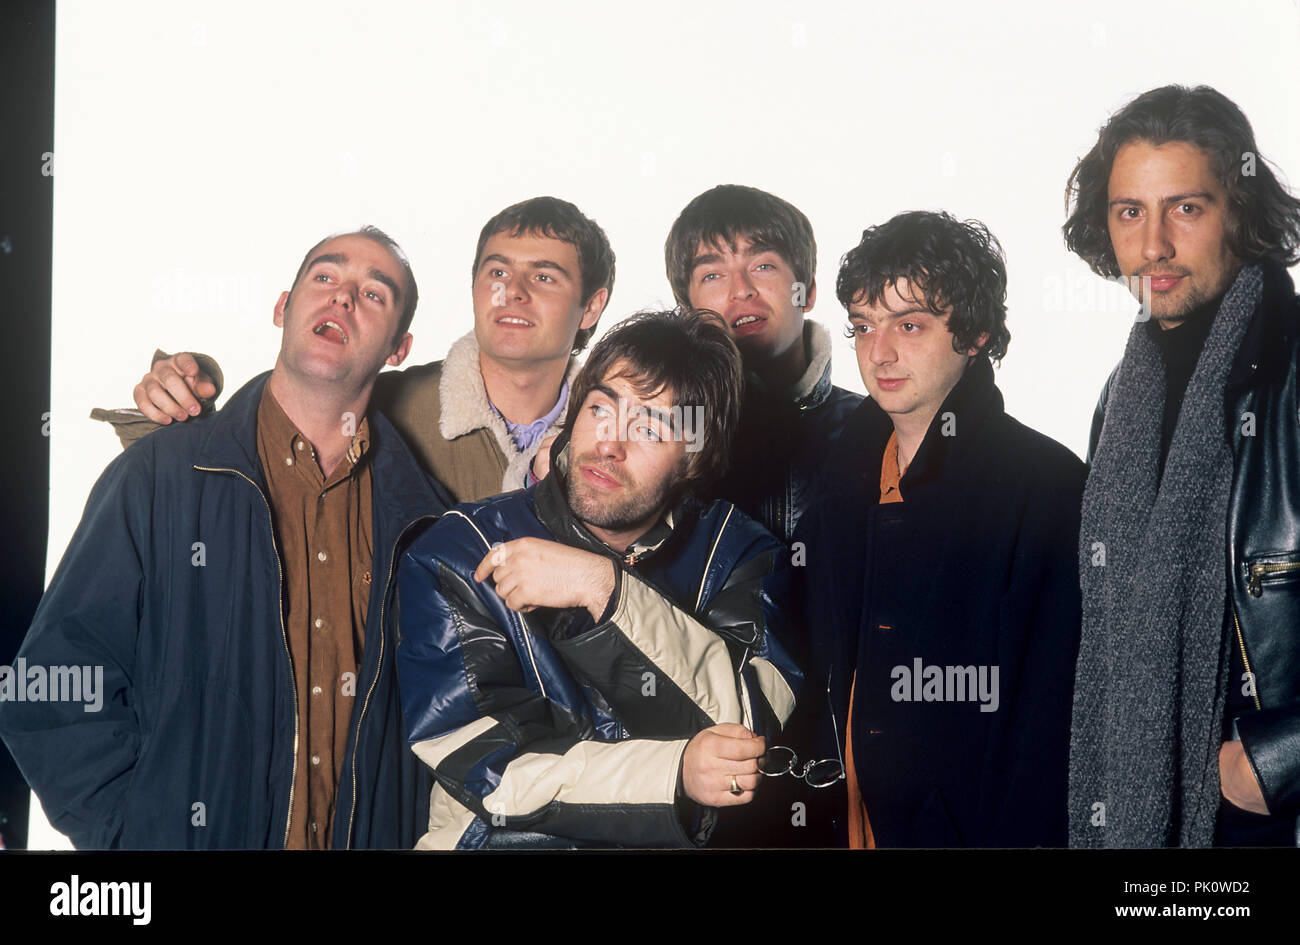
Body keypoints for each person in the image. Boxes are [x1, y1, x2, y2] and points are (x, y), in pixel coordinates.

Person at [0, 227, 451, 849]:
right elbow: (49, 685)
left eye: (373, 294)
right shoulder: (160, 476)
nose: (343, 298)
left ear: (399, 348)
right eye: (325, 277)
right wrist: (136, 836)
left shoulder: (426, 525)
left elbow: (452, 732)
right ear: (282, 308)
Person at [394, 310, 801, 848]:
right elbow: (488, 770)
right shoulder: (458, 549)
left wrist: (604, 589)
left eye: (650, 429)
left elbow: (749, 730)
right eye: (600, 410)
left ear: (694, 461)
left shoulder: (738, 551)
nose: (610, 444)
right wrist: (671, 773)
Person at [796, 211, 1085, 847]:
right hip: (841, 822)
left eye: (911, 325)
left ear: (977, 333)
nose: (880, 352)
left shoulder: (1044, 484)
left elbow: (1051, 717)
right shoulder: (841, 473)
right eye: (864, 327)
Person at [1065, 85, 1300, 847]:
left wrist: (1276, 760)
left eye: (1186, 209)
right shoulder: (1122, 396)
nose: (1154, 244)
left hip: (1262, 812)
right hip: (1157, 807)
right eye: (1130, 210)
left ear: (1239, 210)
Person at [123, 196, 614, 502]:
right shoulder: (383, 407)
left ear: (590, 308)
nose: (513, 292)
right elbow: (263, 435)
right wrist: (182, 397)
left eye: (544, 276)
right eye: (498, 272)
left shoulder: (626, 429)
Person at [664, 184, 862, 544]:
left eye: (763, 266)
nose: (741, 289)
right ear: (688, 312)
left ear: (807, 291)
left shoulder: (878, 429)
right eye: (712, 275)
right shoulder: (666, 431)